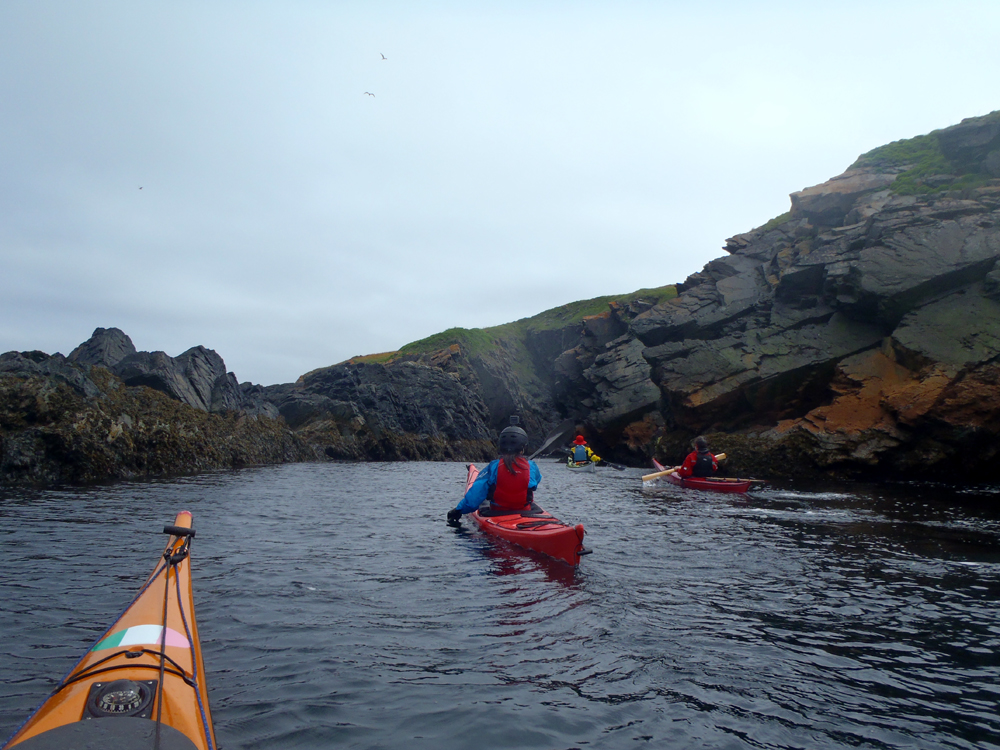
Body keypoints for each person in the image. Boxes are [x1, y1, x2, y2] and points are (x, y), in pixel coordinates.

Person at [447, 417, 542, 525]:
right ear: (523, 448)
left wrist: (458, 510)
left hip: (497, 512)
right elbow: (535, 482)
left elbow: (476, 495)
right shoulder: (531, 466)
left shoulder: (494, 466)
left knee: (485, 494)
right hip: (524, 512)